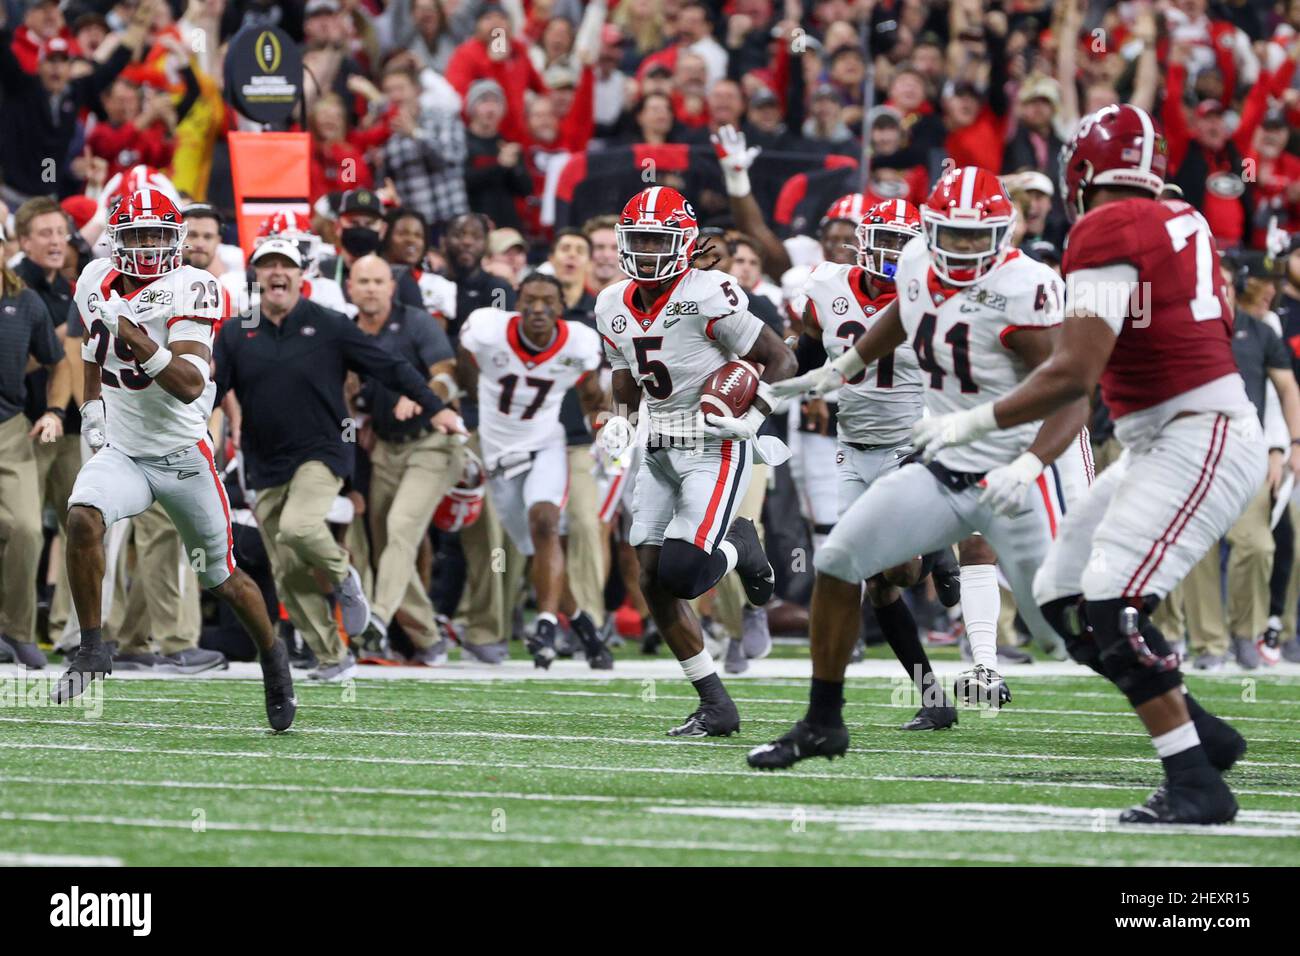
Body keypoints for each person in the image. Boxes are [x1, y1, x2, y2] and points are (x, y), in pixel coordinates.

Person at [910, 105, 1297, 824]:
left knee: (1111, 604)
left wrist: (967, 420)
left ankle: (1193, 781)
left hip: (1197, 430)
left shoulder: (1106, 226)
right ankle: (1205, 733)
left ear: (1081, 172)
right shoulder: (1178, 220)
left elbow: (1072, 377)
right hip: (1165, 433)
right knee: (1060, 597)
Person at [754, 166, 1092, 770]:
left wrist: (1034, 460)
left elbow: (1068, 388)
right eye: (951, 235)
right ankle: (845, 715)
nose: (961, 249)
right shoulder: (856, 282)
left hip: (945, 445)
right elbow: (846, 335)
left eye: (974, 235)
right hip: (859, 445)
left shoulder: (1022, 284)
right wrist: (813, 379)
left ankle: (1171, 713)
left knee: (1063, 623)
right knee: (854, 567)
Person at [51, 188, 295, 732]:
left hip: (182, 455)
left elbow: (189, 384)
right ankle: (93, 647)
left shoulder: (194, 285)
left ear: (177, 238)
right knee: (82, 517)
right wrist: (91, 405)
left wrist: (131, 333)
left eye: (160, 235)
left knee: (221, 577)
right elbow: (92, 347)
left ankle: (274, 661)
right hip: (125, 450)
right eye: (138, 236)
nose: (150, 246)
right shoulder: (94, 278)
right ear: (117, 240)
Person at [596, 185, 796, 737]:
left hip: (714, 442)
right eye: (638, 239)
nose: (646, 250)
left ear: (683, 242)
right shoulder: (610, 301)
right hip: (657, 443)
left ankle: (742, 545)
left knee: (683, 576)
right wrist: (620, 416)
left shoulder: (712, 292)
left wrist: (753, 417)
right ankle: (715, 704)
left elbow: (780, 356)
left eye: (658, 239)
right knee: (653, 580)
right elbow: (623, 366)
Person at [213, 237, 453, 682]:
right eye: (268, 266)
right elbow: (211, 391)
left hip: (321, 451)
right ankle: (331, 655)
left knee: (299, 527)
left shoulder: (330, 323)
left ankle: (344, 577)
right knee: (285, 569)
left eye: (286, 265)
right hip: (262, 459)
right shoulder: (235, 330)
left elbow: (390, 367)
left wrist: (436, 406)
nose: (277, 273)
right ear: (256, 275)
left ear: (302, 274)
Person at [458, 272, 613, 668]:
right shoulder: (488, 330)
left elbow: (592, 397)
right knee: (533, 550)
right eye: (529, 300)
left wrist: (608, 426)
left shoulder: (579, 342)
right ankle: (585, 629)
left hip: (546, 445)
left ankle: (544, 625)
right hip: (498, 458)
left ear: (562, 308)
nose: (538, 309)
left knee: (546, 523)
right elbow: (464, 367)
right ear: (516, 302)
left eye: (548, 301)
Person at [348, 254, 464, 664]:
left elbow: (449, 374)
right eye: (362, 281)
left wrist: (419, 397)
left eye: (378, 280)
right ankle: (429, 639)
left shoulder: (416, 321)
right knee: (388, 545)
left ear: (392, 287)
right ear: (350, 287)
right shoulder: (346, 329)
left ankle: (376, 619)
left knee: (400, 527)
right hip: (383, 447)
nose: (371, 288)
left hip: (432, 440)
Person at [0, 250, 64, 667]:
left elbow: (58, 361)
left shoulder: (25, 302)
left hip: (9, 428)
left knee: (26, 528)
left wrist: (55, 411)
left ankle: (17, 630)